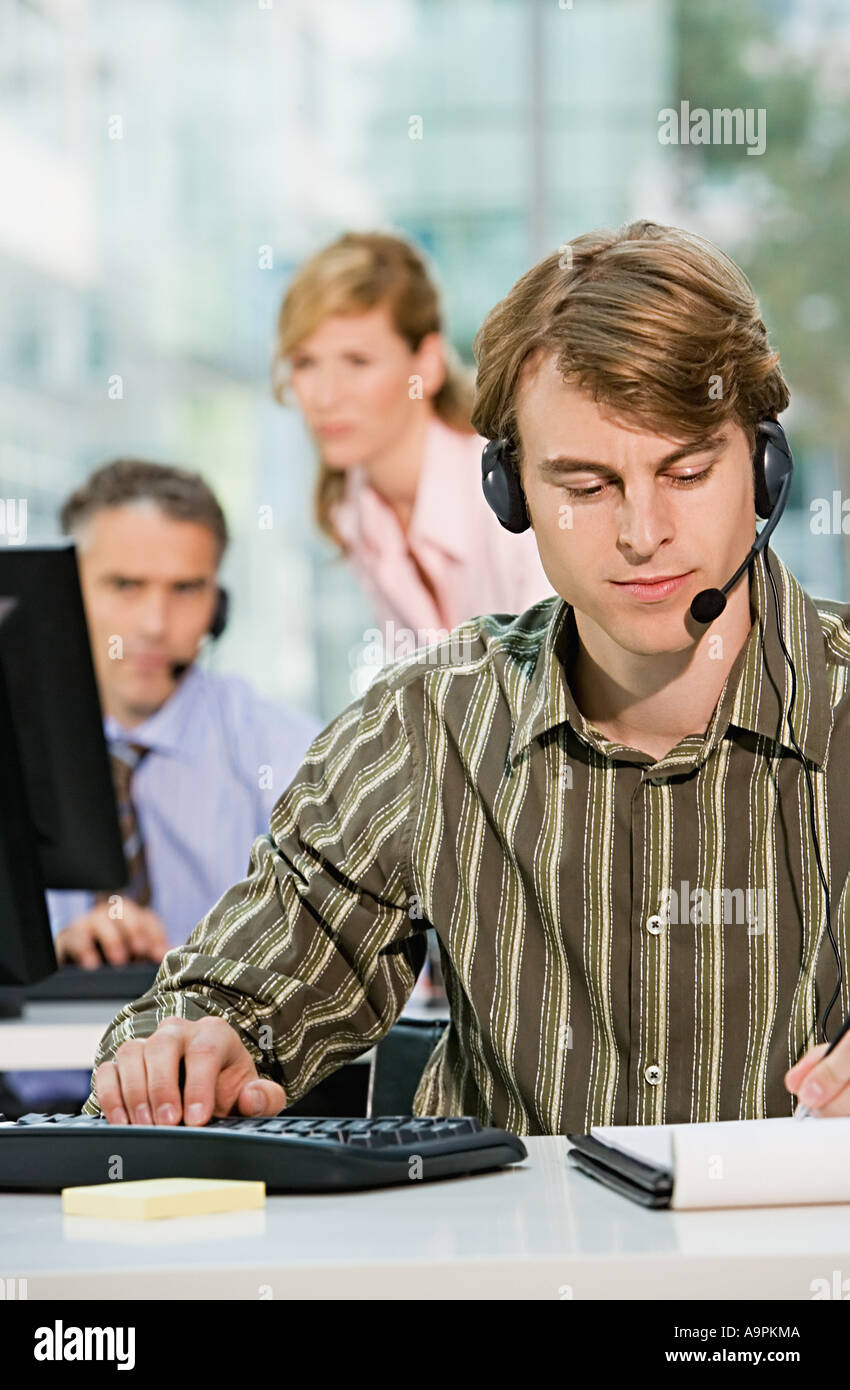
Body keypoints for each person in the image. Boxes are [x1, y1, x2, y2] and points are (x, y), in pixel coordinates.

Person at [82, 221, 850, 1134]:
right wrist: (194, 1045)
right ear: (511, 494)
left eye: (685, 471)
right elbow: (225, 992)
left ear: (766, 471)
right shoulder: (430, 722)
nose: (644, 532)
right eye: (587, 485)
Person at [0, 459, 321, 1114]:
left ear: (217, 605)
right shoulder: (1, 733)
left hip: (211, 1110)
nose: (154, 622)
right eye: (124, 585)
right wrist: (33, 959)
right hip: (23, 1102)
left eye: (185, 588)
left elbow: (347, 937)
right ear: (64, 592)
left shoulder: (281, 746)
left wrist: (207, 964)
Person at [273, 230, 554, 639]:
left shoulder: (508, 491)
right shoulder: (356, 507)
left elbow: (556, 680)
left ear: (427, 364)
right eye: (305, 362)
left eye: (357, 361)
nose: (325, 396)